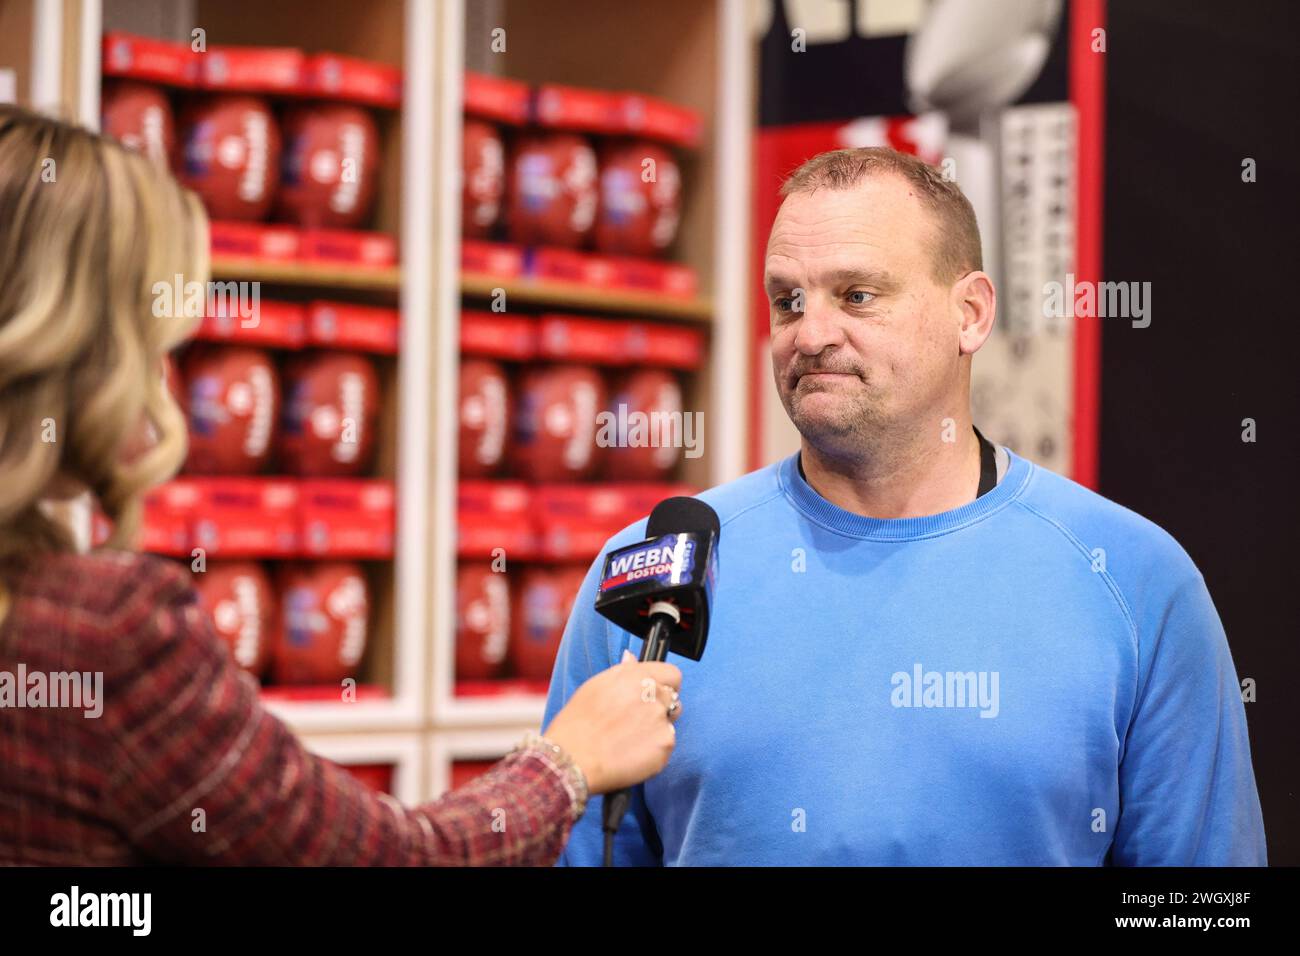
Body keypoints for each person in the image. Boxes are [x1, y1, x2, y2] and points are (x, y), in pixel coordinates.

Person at [543, 146, 1268, 866]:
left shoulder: (1136, 581)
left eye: (857, 295)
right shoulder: (650, 578)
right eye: (788, 300)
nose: (812, 333)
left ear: (971, 313)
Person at [0, 106, 682, 866]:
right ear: (79, 345)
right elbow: (389, 860)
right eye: (153, 332)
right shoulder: (98, 628)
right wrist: (567, 763)